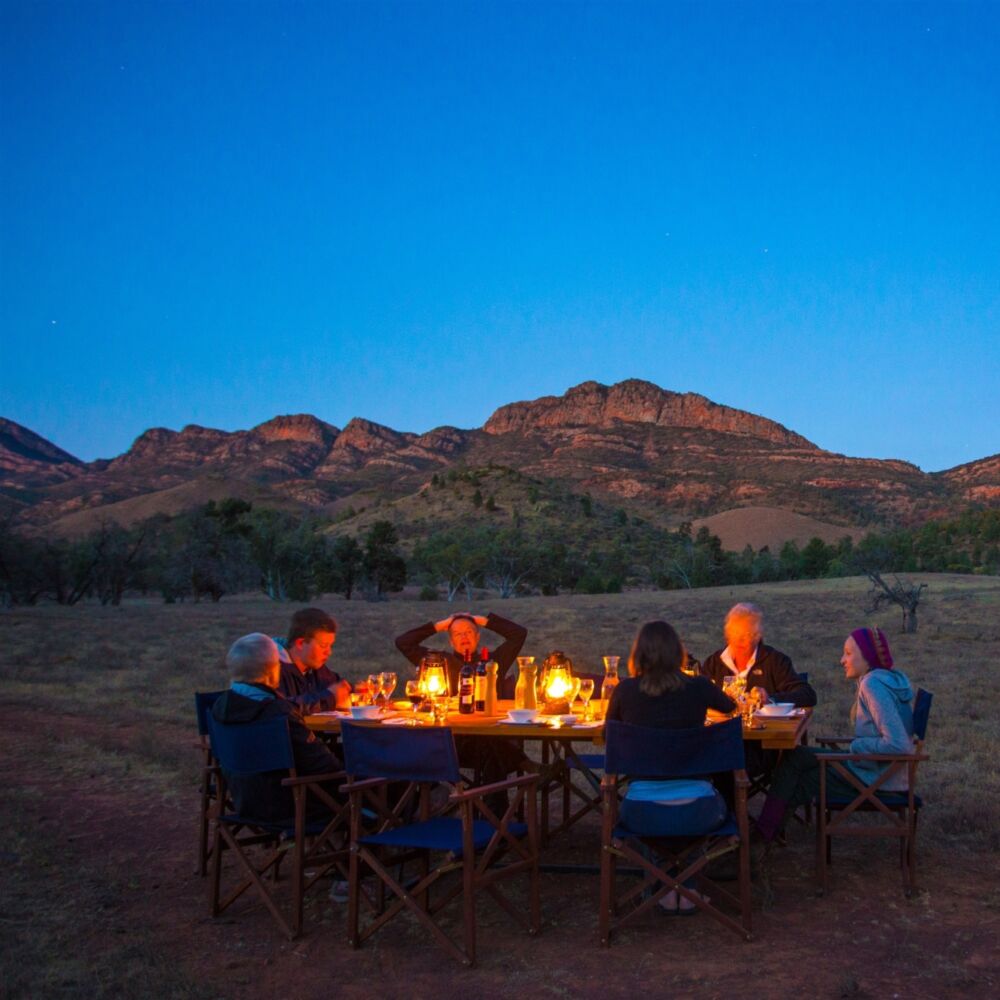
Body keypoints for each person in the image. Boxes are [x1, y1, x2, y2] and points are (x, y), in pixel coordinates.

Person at [606, 620, 736, 915]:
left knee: (651, 808)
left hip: (640, 813)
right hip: (700, 811)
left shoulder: (625, 691)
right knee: (689, 803)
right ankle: (687, 888)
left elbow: (607, 736)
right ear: (679, 652)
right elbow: (730, 707)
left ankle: (661, 887)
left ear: (638, 654)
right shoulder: (699, 686)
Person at [754, 626, 915, 844]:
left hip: (876, 778)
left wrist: (858, 747)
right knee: (796, 756)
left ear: (867, 656)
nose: (842, 660)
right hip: (875, 769)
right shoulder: (884, 679)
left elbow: (899, 746)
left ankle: (759, 843)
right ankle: (767, 833)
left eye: (848, 653)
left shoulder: (873, 685)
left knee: (803, 778)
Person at [211, 633, 344, 824]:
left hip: (245, 801)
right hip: (295, 807)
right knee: (382, 785)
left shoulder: (220, 707)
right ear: (273, 669)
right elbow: (324, 766)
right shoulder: (277, 713)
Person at [699, 603, 816, 708]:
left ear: (758, 636)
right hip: (724, 729)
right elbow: (697, 695)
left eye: (747, 634)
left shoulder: (774, 661)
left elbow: (807, 695)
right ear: (727, 635)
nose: (740, 640)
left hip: (766, 729)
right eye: (735, 633)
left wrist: (770, 699)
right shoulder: (715, 663)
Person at [395, 611, 527, 694]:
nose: (464, 637)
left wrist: (484, 621)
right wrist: (438, 626)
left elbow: (519, 634)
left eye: (469, 632)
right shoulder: (438, 662)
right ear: (451, 641)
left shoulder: (493, 662)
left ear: (477, 637)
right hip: (451, 729)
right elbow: (403, 643)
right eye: (458, 634)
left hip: (488, 730)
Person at [277, 607, 352, 713]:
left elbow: (337, 686)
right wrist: (329, 698)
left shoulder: (315, 668)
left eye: (330, 646)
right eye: (323, 645)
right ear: (300, 643)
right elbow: (282, 708)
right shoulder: (273, 670)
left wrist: (353, 689)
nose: (329, 652)